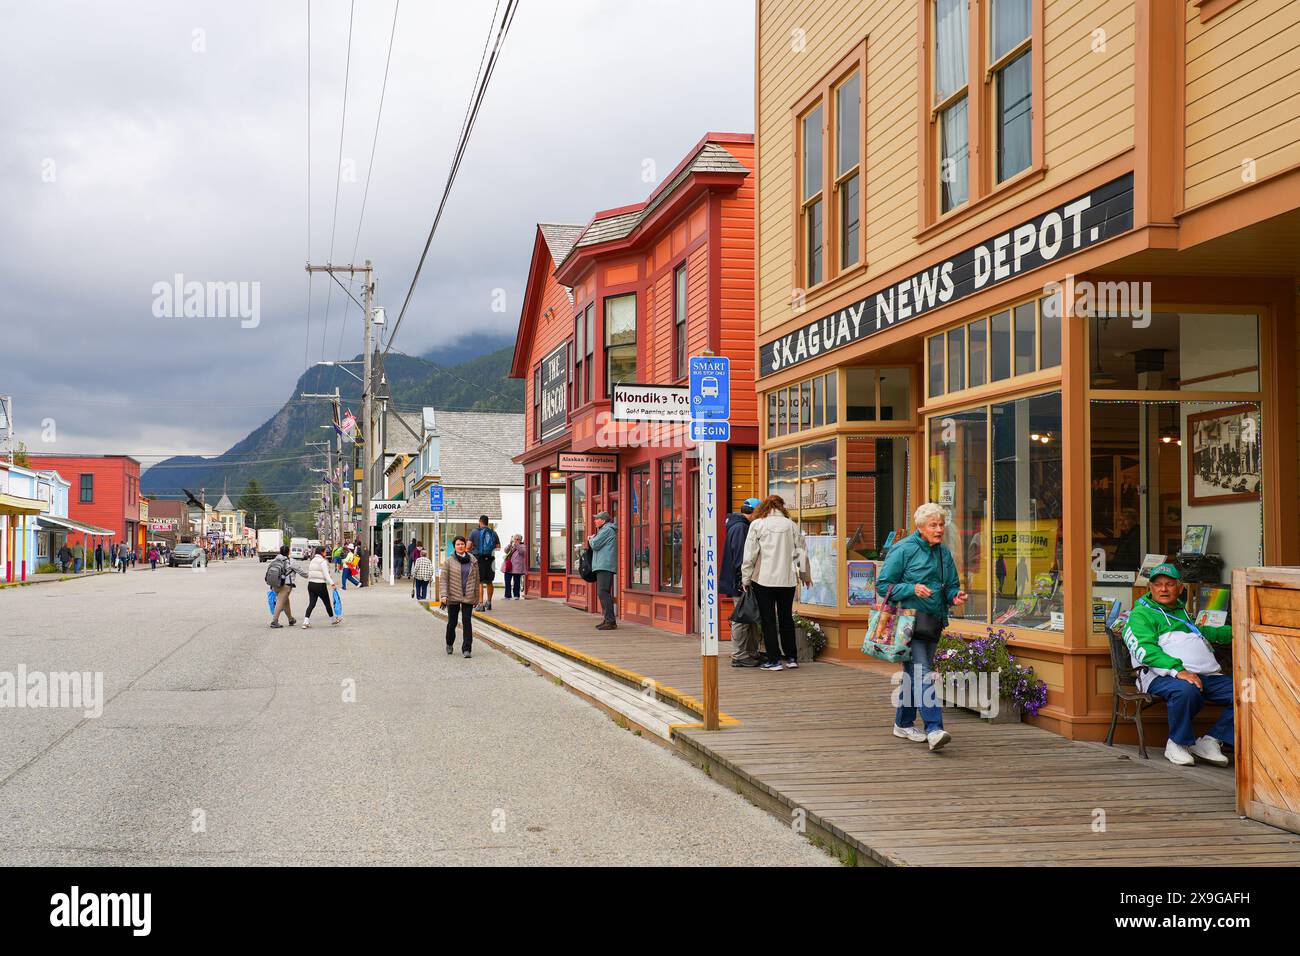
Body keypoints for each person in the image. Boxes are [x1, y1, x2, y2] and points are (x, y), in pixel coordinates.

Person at [1123, 562, 1234, 767]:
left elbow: (1205, 633)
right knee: (1187, 689)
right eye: (1158, 584)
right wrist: (1178, 670)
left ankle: (1211, 741)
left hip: (1205, 675)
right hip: (1160, 676)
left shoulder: (1182, 612)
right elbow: (1146, 649)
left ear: (1180, 588)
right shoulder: (1140, 615)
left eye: (1169, 584)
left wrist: (1239, 630)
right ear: (1150, 587)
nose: (1163, 589)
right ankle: (1177, 742)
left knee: (1249, 691)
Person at [878, 502, 967, 753]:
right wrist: (912, 588)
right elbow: (883, 585)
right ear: (920, 527)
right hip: (909, 625)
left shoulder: (943, 553)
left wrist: (954, 596)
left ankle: (903, 723)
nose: (939, 529)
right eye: (933, 525)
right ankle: (934, 728)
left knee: (913, 674)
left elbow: (950, 586)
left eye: (941, 525)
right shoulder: (903, 549)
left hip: (933, 623)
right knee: (923, 673)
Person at [741, 495, 810, 672]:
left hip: (763, 579)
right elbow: (800, 552)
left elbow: (750, 555)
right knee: (786, 617)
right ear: (782, 508)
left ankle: (774, 660)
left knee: (768, 619)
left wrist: (745, 578)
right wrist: (804, 575)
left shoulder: (757, 525)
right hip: (787, 580)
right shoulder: (791, 525)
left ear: (764, 507)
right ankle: (792, 657)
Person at [722, 498, 762, 667]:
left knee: (749, 617)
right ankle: (739, 655)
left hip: (739, 580)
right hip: (740, 582)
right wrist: (743, 580)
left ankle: (751, 653)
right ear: (754, 511)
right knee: (741, 619)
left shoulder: (737, 526)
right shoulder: (741, 528)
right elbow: (741, 557)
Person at [440, 535, 480, 658]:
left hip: (468, 595)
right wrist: (444, 595)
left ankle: (467, 649)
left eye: (462, 544)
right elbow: (443, 579)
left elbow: (477, 579)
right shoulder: (449, 561)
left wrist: (476, 597)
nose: (460, 546)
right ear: (454, 546)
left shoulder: (473, 560)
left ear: (465, 545)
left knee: (467, 621)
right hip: (453, 595)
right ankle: (449, 643)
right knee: (452, 622)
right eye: (458, 544)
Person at [588, 511, 618, 630]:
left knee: (603, 592)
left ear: (603, 520)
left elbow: (595, 544)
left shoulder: (607, 530)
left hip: (605, 566)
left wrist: (590, 539)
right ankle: (607, 620)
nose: (595, 521)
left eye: (597, 519)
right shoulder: (604, 530)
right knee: (603, 592)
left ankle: (610, 621)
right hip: (602, 565)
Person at [303, 545, 340, 628]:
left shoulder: (312, 560)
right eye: (325, 551)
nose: (326, 553)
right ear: (322, 552)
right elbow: (326, 575)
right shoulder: (322, 561)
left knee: (312, 603)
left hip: (311, 584)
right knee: (327, 603)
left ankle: (306, 621)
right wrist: (332, 583)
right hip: (320, 584)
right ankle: (333, 620)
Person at [470, 515, 500, 611]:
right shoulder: (493, 533)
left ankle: (481, 604)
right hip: (491, 559)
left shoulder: (474, 532)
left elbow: (468, 546)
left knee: (480, 581)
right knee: (490, 581)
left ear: (480, 522)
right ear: (487, 522)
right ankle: (489, 603)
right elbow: (498, 547)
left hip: (479, 559)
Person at [266, 545, 298, 628]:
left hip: (275, 584)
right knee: (280, 601)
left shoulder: (275, 560)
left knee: (285, 601)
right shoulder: (291, 561)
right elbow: (301, 571)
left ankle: (291, 619)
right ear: (289, 552)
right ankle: (274, 621)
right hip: (286, 585)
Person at [502, 533, 526, 600]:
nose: (515, 540)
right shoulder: (511, 546)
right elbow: (505, 551)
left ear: (520, 540)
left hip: (517, 568)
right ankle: (507, 596)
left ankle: (516, 595)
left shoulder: (523, 546)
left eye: (517, 539)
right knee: (507, 582)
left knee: (516, 582)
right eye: (514, 539)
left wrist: (517, 545)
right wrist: (510, 544)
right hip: (509, 567)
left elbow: (522, 552)